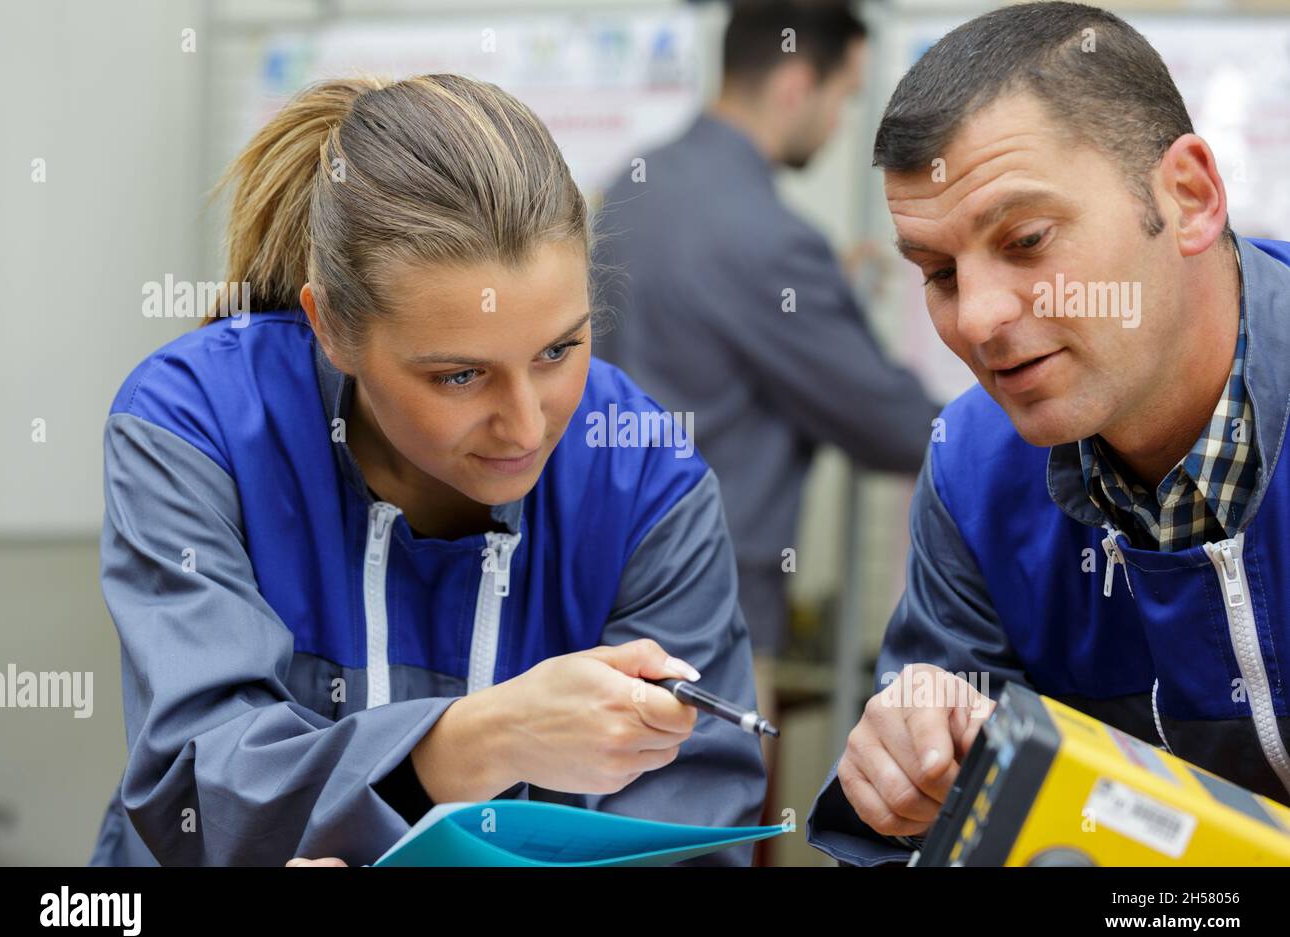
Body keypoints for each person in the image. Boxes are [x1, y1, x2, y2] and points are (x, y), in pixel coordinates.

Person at [87, 74, 765, 867]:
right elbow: (205, 790)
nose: (525, 424)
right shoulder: (195, 424)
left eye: (558, 351)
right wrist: (485, 739)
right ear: (331, 327)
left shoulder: (644, 477)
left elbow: (682, 835)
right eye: (458, 376)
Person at [808, 1, 1290, 867]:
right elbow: (941, 826)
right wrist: (908, 796)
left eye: (1027, 241)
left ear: (1188, 198)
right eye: (940, 273)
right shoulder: (974, 471)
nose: (981, 320)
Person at [593, 0, 939, 724]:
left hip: (599, 574)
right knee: (702, 822)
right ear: (793, 85)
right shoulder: (773, 241)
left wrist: (816, 298)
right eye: (843, 98)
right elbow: (886, 424)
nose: (841, 121)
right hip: (710, 601)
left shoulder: (633, 184)